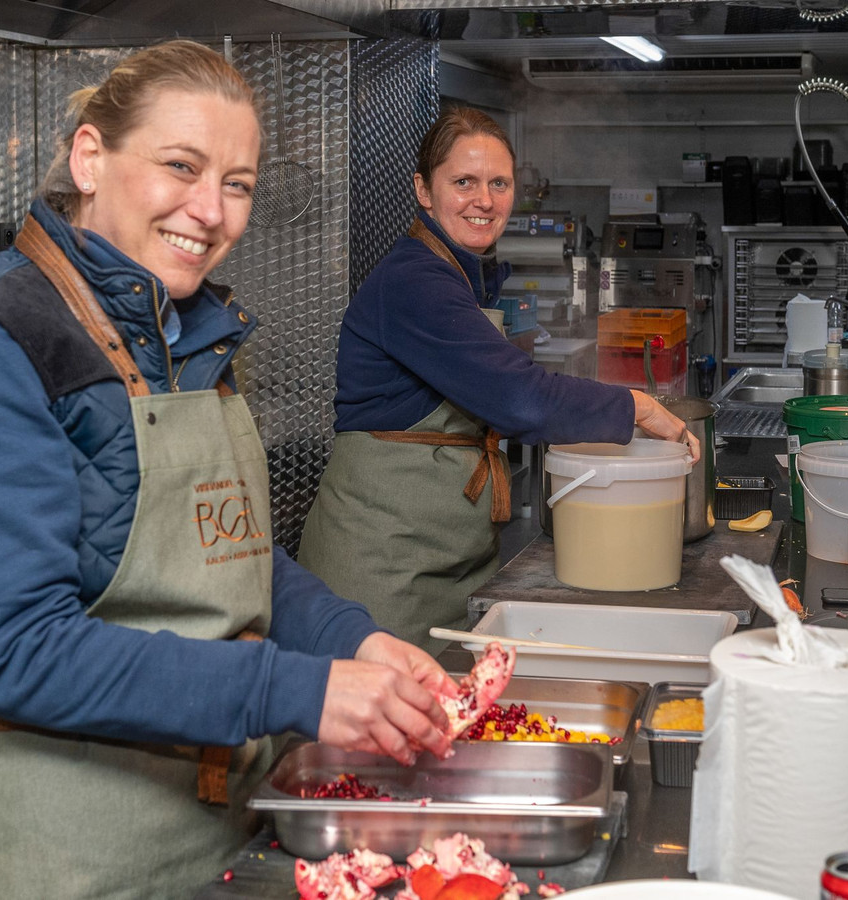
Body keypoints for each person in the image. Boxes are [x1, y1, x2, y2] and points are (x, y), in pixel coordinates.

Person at [0, 40, 456, 900]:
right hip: (44, 860)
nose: (209, 211)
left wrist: (351, 642)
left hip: (206, 838)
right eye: (180, 165)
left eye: (238, 184)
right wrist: (300, 686)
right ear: (90, 157)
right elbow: (22, 653)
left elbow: (223, 554)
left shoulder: (185, 335)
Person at [296, 107, 700, 653]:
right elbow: (519, 397)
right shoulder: (415, 281)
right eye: (463, 182)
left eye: (498, 183)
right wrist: (638, 406)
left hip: (443, 557)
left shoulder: (461, 273)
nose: (483, 200)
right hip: (382, 573)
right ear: (423, 189)